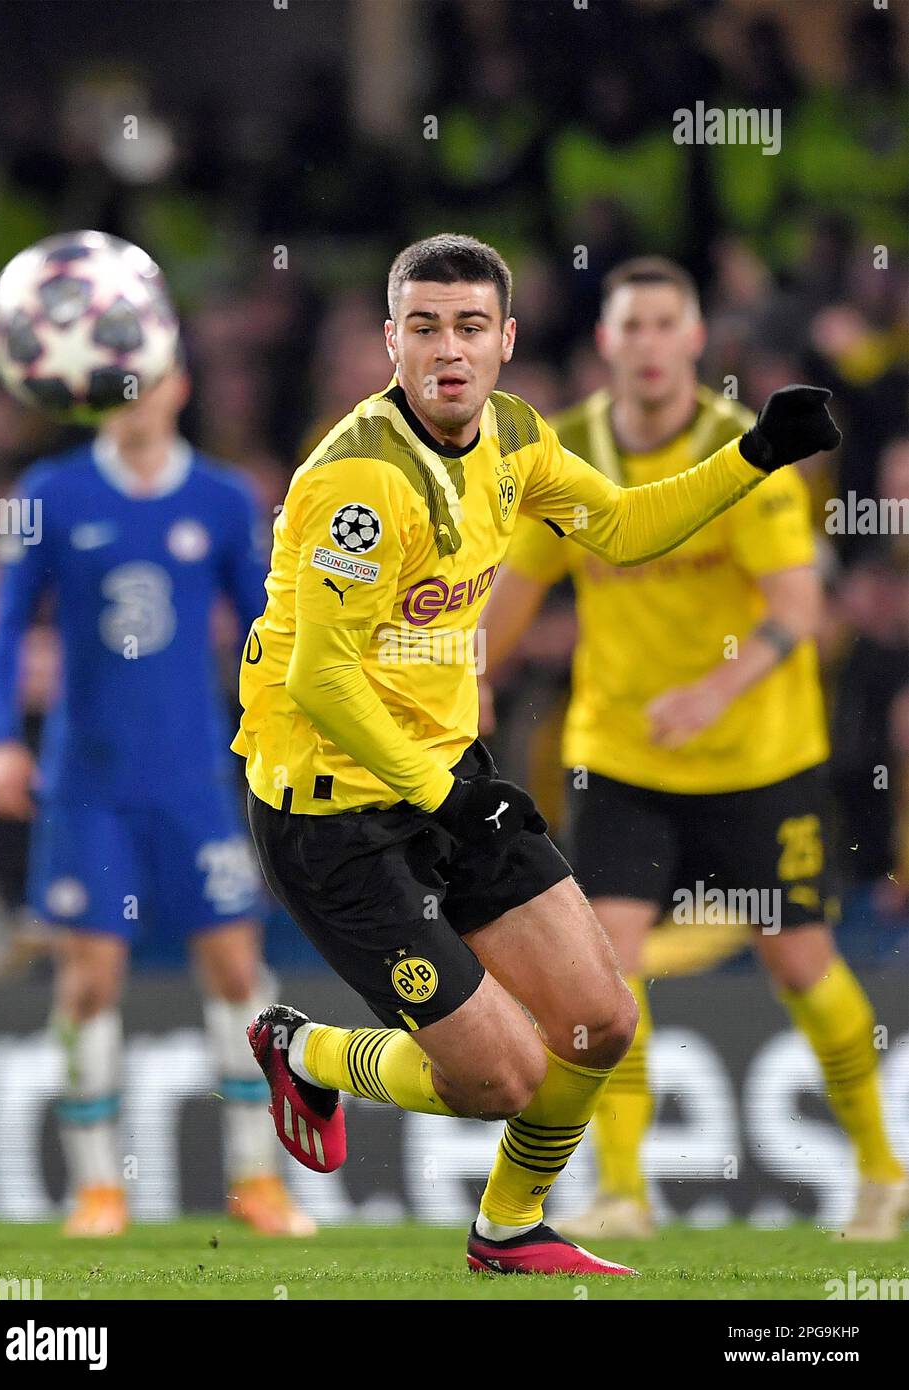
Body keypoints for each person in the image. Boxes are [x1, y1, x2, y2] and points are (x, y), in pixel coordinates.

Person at [237, 233, 840, 1276]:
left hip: (440, 773)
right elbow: (320, 683)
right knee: (500, 1080)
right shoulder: (358, 484)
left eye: (469, 326)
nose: (446, 349)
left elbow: (618, 526)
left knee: (600, 1023)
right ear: (390, 340)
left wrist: (751, 458)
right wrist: (446, 793)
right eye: (422, 327)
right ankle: (305, 1051)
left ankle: (508, 1225)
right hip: (330, 804)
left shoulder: (515, 435)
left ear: (507, 341)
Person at [480, 257, 907, 1241]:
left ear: (691, 342)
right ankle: (625, 1189)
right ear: (605, 342)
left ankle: (880, 1173)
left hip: (758, 756)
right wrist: (459, 685)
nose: (643, 343)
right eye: (626, 325)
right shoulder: (567, 456)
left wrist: (710, 691)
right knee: (603, 975)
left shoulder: (742, 454)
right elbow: (513, 596)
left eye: (661, 324)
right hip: (623, 759)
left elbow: (799, 612)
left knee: (799, 961)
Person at [0, 367, 313, 1238]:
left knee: (238, 973)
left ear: (181, 386)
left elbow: (266, 626)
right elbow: (10, 625)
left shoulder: (221, 496)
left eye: (150, 374)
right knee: (89, 982)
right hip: (86, 788)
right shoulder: (52, 492)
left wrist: (291, 726)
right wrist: (3, 737)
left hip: (194, 781)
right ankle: (98, 1188)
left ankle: (256, 1179)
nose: (135, 391)